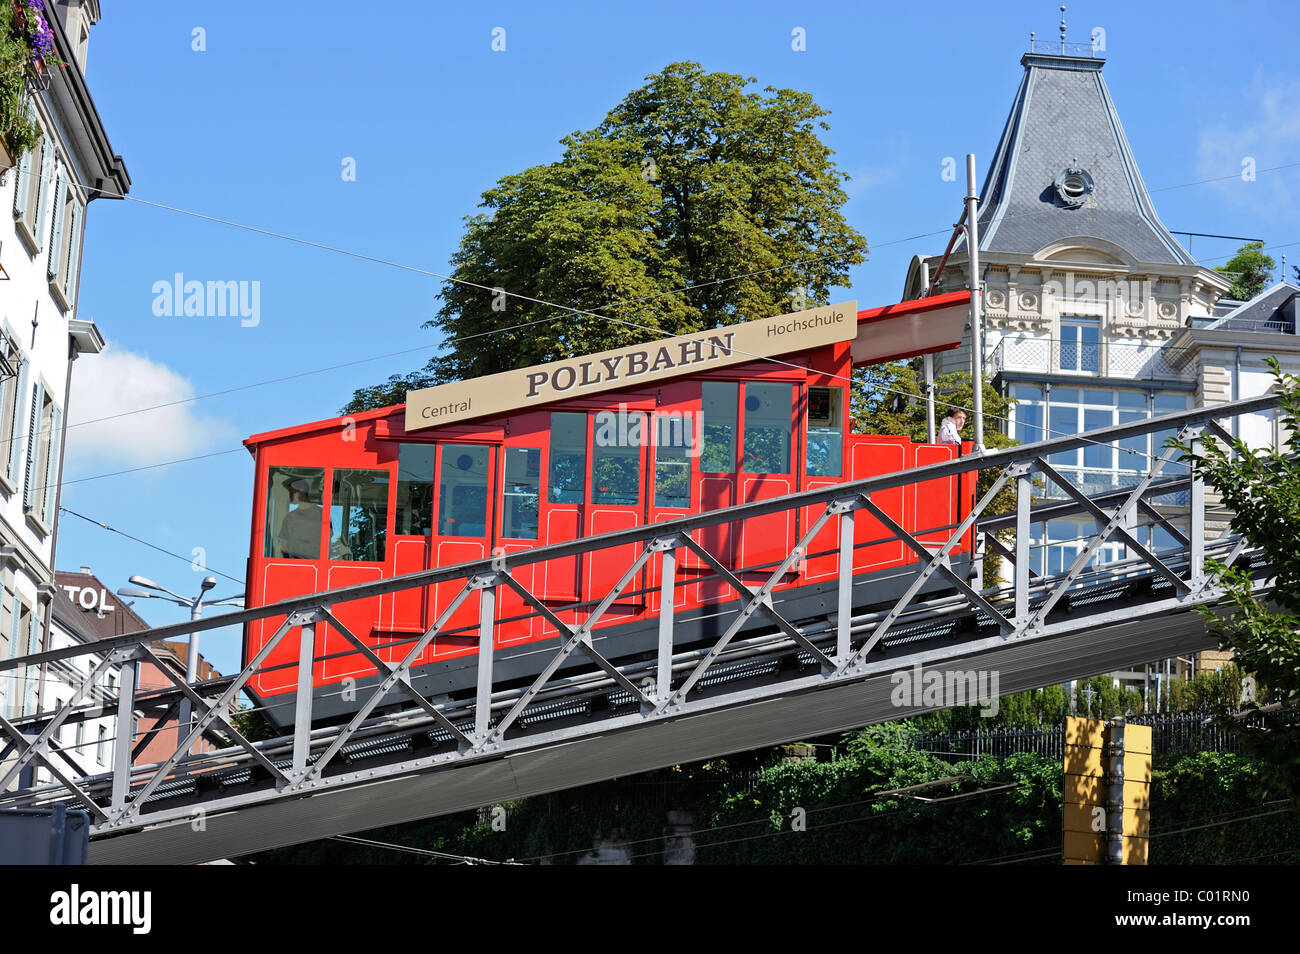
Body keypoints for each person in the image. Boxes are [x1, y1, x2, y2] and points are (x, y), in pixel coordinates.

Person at [277, 478, 323, 559]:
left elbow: (327, 543)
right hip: (292, 563)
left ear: (301, 492)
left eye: (292, 492)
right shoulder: (289, 517)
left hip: (315, 563)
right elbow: (283, 545)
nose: (290, 496)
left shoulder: (321, 514)